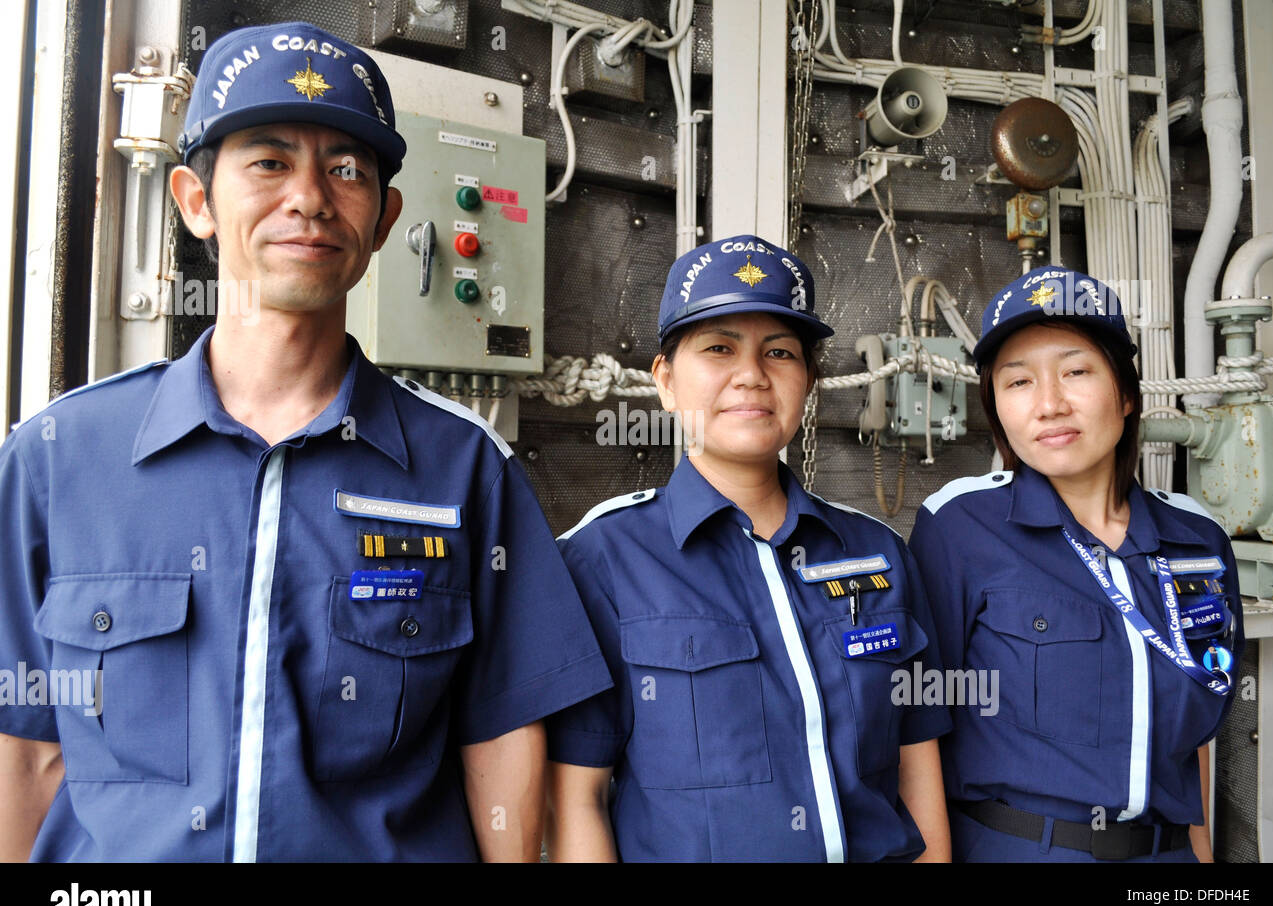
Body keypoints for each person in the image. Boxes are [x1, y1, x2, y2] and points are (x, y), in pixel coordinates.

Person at [0, 21, 611, 862]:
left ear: (387, 216)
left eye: (347, 169)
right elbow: (25, 751)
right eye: (269, 161)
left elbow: (500, 742)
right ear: (195, 201)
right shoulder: (57, 458)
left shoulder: (464, 468)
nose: (311, 198)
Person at [544, 235, 951, 862]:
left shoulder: (877, 553)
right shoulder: (603, 560)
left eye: (780, 352)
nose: (751, 376)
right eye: (718, 348)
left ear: (809, 382)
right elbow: (578, 798)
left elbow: (916, 764)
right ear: (666, 380)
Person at [910, 266, 1244, 862]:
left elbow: (1190, 738)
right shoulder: (962, 526)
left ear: (1126, 394)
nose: (1049, 404)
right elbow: (917, 718)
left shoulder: (1197, 541)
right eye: (1017, 383)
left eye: (1076, 371)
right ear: (997, 409)